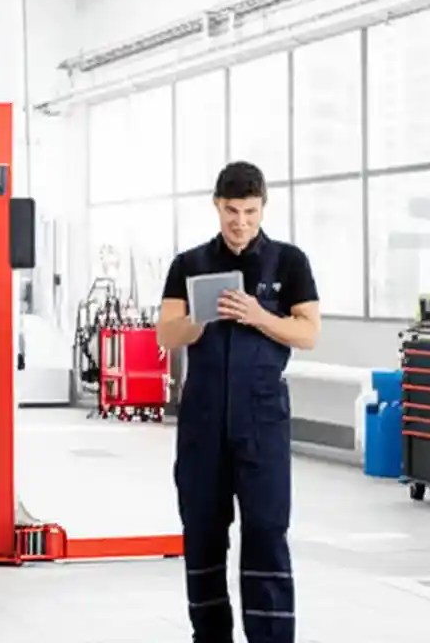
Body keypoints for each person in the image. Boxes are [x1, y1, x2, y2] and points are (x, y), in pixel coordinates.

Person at [155, 161, 321, 643]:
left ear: (262, 206)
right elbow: (166, 332)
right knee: (203, 532)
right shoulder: (188, 264)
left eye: (249, 211)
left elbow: (309, 333)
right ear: (216, 206)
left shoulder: (289, 262)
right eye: (231, 210)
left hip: (262, 419)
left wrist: (256, 315)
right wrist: (200, 320)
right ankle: (210, 636)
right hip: (203, 421)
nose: (240, 222)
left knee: (267, 531)